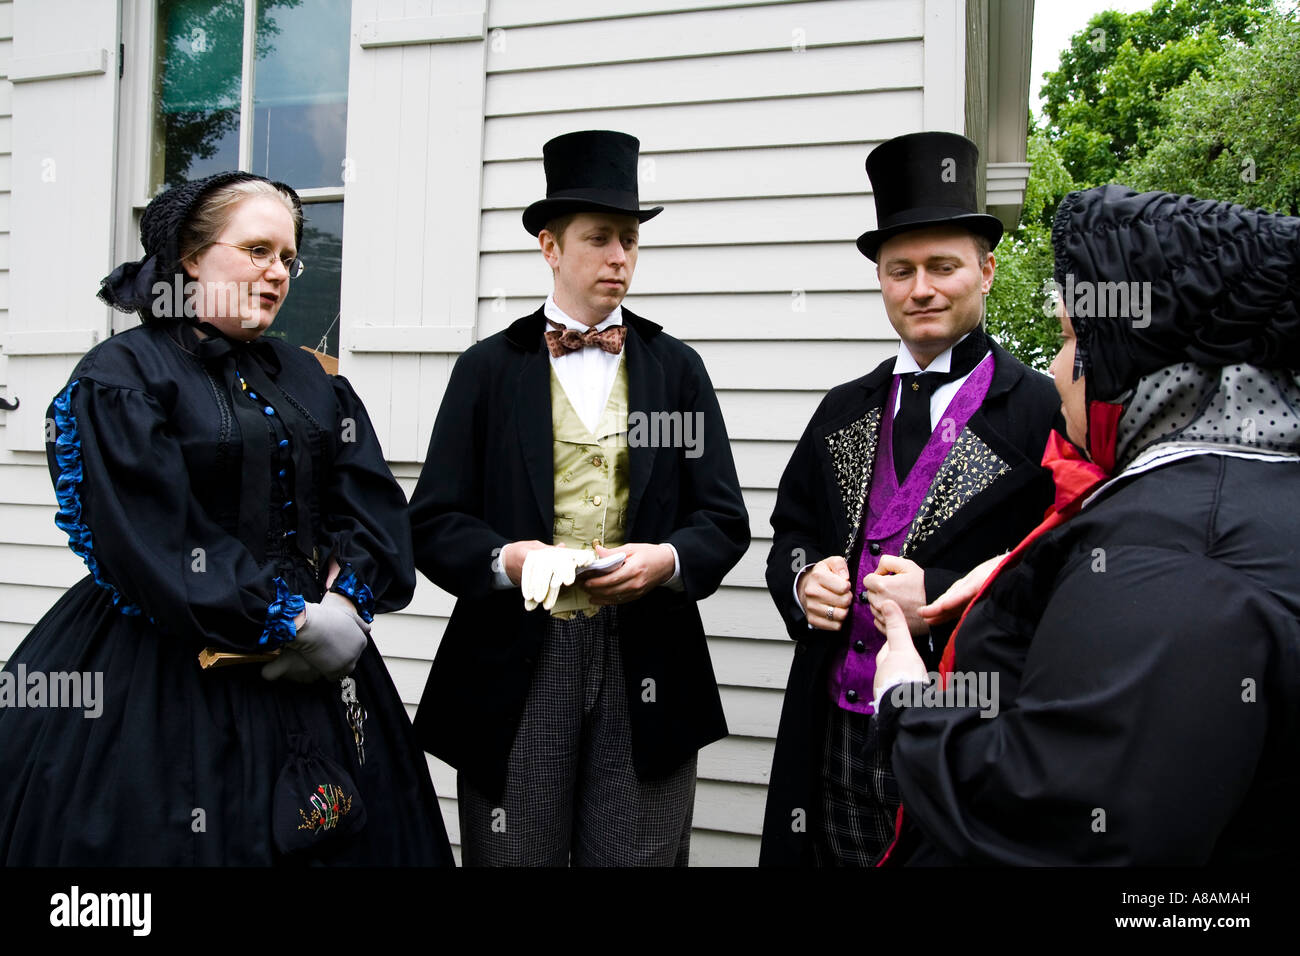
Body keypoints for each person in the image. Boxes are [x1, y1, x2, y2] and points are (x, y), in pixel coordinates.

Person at [0, 171, 453, 865]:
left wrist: (342, 604)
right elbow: (150, 534)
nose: (278, 272)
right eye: (257, 251)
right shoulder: (124, 375)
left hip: (325, 665)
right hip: (162, 661)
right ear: (190, 257)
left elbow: (366, 504)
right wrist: (287, 620)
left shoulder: (312, 377)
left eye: (288, 258)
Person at [871, 184, 1300, 865]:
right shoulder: (1226, 499)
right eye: (899, 270)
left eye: (1073, 339)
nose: (1057, 365)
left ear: (1146, 362)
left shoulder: (1189, 559)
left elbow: (1059, 824)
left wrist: (905, 701)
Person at [408, 129, 749, 866]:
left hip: (649, 658)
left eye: (630, 239)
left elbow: (723, 520)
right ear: (550, 247)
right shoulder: (487, 372)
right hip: (514, 660)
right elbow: (432, 522)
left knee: (640, 857)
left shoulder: (676, 370)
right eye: (600, 238)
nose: (620, 257)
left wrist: (665, 559)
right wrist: (507, 558)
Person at [759, 132, 1062, 866]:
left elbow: (1067, 576)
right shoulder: (841, 407)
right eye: (901, 270)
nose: (921, 287)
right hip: (832, 728)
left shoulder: (1043, 411)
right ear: (882, 281)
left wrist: (954, 603)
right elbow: (791, 531)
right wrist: (804, 580)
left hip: (964, 731)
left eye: (942, 267)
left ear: (986, 271)